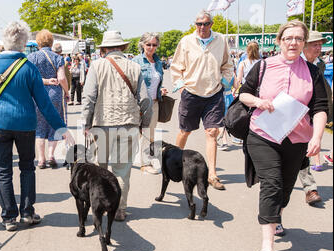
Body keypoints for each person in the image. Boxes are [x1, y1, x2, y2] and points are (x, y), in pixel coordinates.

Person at [0, 21, 74, 231]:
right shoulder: (28, 68)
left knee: (3, 170)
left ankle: (8, 217)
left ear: (4, 42)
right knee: (27, 168)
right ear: (25, 43)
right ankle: (27, 212)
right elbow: (44, 104)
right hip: (26, 124)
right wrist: (61, 128)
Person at [239, 20, 328, 251]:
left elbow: (320, 108)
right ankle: (267, 246)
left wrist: (317, 137)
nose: (293, 43)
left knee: (286, 187)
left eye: (299, 39)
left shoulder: (313, 73)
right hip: (263, 135)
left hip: (296, 140)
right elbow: (242, 94)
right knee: (272, 183)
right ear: (279, 41)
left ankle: (277, 216)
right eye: (288, 38)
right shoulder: (263, 66)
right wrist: (257, 102)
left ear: (304, 43)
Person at [82, 30, 152, 222]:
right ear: (122, 47)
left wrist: (85, 123)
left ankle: (99, 205)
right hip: (128, 124)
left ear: (104, 48)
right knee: (122, 170)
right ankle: (120, 209)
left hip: (102, 124)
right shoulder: (135, 67)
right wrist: (144, 123)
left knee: (99, 169)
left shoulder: (96, 66)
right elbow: (145, 100)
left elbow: (88, 97)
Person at [170, 10, 234, 190]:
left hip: (213, 94)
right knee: (185, 131)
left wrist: (224, 82)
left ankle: (212, 174)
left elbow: (227, 65)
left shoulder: (220, 40)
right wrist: (181, 87)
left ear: (211, 24)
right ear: (195, 25)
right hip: (191, 92)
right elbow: (176, 67)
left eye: (205, 24)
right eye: (199, 24)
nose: (202, 27)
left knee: (212, 132)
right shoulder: (186, 41)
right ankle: (174, 162)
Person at [297, 30, 332, 205]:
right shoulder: (294, 63)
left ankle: (309, 188)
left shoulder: (320, 64)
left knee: (304, 149)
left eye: (320, 44)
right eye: (314, 44)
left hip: (314, 113)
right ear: (304, 45)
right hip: (294, 115)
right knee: (294, 151)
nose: (319, 48)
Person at [28, 29, 70, 169]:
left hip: (37, 94)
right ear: (51, 42)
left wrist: (44, 81)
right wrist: (67, 91)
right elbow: (62, 78)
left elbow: (30, 78)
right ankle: (51, 155)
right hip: (55, 94)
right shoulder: (57, 57)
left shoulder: (32, 57)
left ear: (38, 42)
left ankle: (41, 159)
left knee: (39, 127)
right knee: (54, 125)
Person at [132, 32, 168, 174]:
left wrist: (161, 90)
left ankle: (144, 162)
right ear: (142, 44)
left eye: (154, 44)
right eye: (148, 44)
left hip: (154, 102)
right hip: (139, 103)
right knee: (135, 133)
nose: (151, 47)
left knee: (148, 133)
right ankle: (141, 161)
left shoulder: (158, 62)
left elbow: (156, 81)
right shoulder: (136, 61)